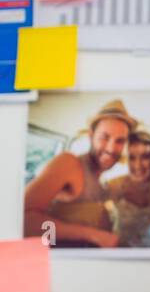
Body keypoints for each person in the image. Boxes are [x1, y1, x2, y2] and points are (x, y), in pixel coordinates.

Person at [23, 99, 136, 248]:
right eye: (104, 137)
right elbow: (22, 221)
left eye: (119, 141)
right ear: (91, 135)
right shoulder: (68, 163)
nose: (111, 148)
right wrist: (94, 235)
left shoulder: (102, 181)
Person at [103, 129, 150, 247]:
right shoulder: (113, 186)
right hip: (125, 255)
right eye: (132, 158)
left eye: (145, 157)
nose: (137, 165)